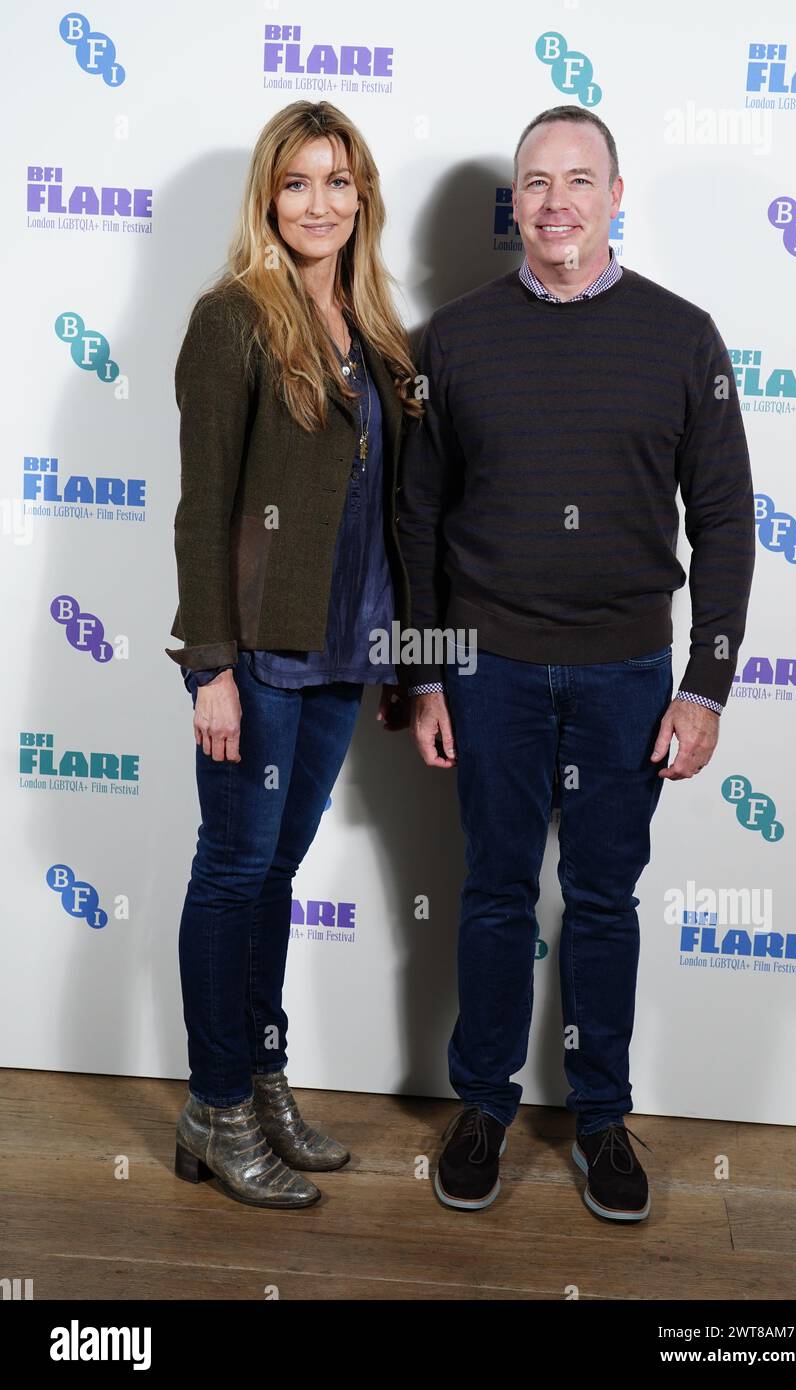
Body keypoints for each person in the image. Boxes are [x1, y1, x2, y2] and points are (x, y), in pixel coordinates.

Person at [398, 105, 755, 1221]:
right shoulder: (450, 340)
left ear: (613, 196)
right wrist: (417, 673)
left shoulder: (681, 335)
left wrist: (703, 686)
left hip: (622, 674)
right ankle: (484, 1109)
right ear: (515, 204)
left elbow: (727, 522)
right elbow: (413, 521)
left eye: (577, 180)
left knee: (602, 899)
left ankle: (601, 1118)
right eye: (534, 183)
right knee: (496, 893)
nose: (554, 202)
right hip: (488, 669)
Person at [164, 100, 418, 1209]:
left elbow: (384, 510)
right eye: (296, 182)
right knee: (231, 871)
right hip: (256, 658)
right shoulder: (233, 318)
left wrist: (395, 655)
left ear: (360, 195)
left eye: (337, 180)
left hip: (340, 652)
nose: (319, 202)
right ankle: (212, 1108)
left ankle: (259, 1085)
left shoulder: (371, 325)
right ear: (268, 199)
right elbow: (201, 508)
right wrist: (206, 667)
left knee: (271, 872)